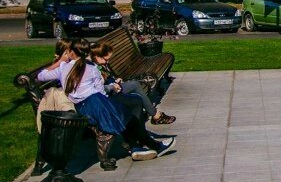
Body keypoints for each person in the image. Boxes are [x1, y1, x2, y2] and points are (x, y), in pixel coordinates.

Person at [37, 38, 175, 168]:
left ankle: (145, 146)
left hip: (83, 107)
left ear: (71, 52)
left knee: (128, 115)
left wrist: (61, 61)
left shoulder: (63, 67)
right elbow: (101, 93)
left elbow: (41, 76)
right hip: (97, 104)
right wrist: (112, 93)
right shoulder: (91, 70)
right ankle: (152, 146)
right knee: (128, 115)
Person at [90, 42, 176, 125]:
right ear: (97, 56)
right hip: (107, 94)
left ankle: (154, 114)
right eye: (106, 59)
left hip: (112, 87)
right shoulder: (93, 69)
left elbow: (107, 77)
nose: (107, 62)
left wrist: (115, 80)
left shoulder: (100, 65)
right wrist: (112, 85)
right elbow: (99, 87)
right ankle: (155, 115)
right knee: (135, 87)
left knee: (135, 86)